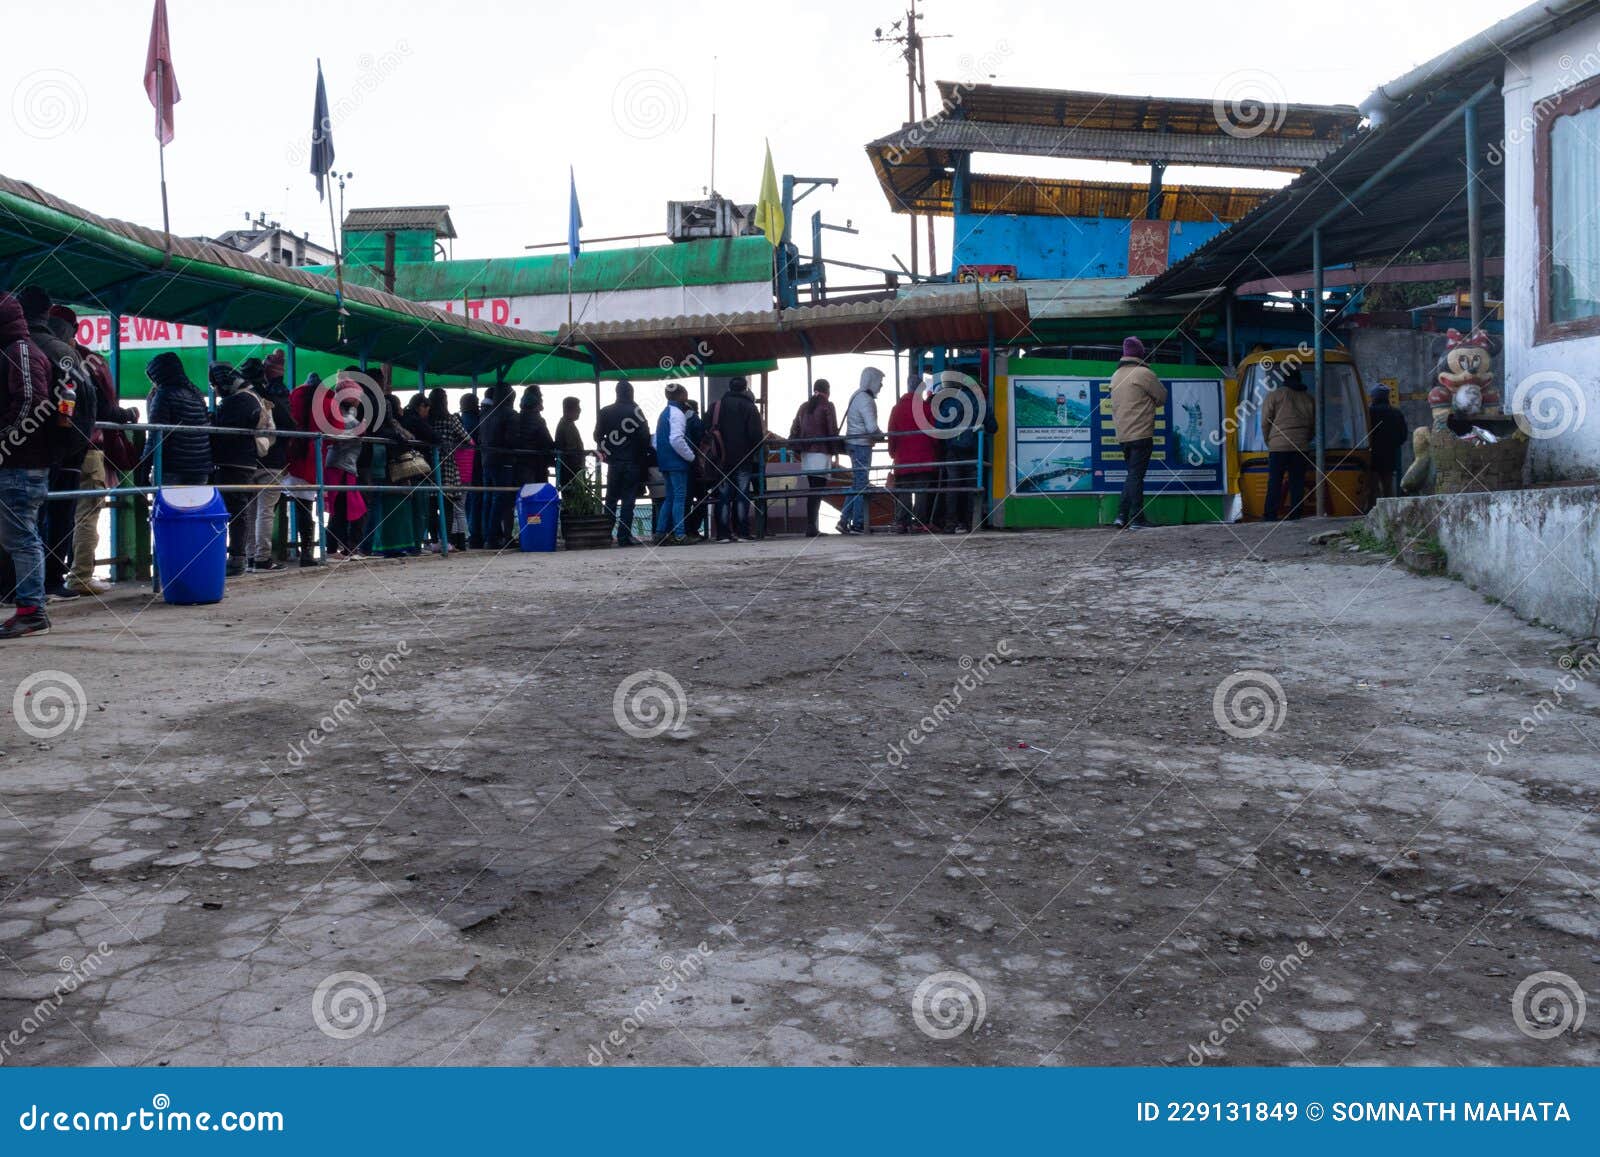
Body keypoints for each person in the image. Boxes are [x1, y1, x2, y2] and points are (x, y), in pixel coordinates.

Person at [50, 305, 137, 594]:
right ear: (74, 330)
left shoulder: (34, 354)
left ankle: (37, 582)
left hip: (46, 453)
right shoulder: (89, 362)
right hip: (88, 450)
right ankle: (79, 577)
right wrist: (126, 416)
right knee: (85, 515)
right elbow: (105, 409)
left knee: (47, 515)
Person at [19, 287, 95, 602]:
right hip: (66, 451)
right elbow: (82, 401)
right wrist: (67, 446)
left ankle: (23, 590)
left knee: (24, 521)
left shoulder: (20, 348)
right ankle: (49, 581)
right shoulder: (67, 353)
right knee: (59, 514)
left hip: (26, 452)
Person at [0, 292, 56, 639]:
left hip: (19, 462)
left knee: (21, 538)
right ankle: (30, 607)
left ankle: (32, 610)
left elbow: (32, 400)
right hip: (22, 461)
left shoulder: (19, 351)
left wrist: (4, 438)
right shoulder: (18, 350)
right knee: (21, 536)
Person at [209, 361, 266, 577]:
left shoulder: (235, 402)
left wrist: (212, 422)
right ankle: (238, 558)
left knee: (229, 511)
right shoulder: (251, 397)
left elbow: (224, 435)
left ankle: (234, 559)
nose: (215, 390)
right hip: (247, 462)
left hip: (231, 463)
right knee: (240, 511)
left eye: (215, 385)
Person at [1108, 336, 1167, 530]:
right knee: (1136, 476)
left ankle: (1121, 516)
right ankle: (1138, 518)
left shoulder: (1115, 375)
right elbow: (1161, 397)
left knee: (1132, 475)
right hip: (1141, 433)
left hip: (1123, 435)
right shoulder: (1144, 373)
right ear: (1140, 353)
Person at [239, 356, 291, 572]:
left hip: (249, 460)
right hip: (273, 460)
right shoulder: (271, 398)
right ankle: (262, 558)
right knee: (265, 511)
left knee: (251, 511)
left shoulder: (241, 398)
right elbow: (289, 424)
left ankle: (250, 556)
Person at [140, 352, 212, 485]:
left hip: (173, 469)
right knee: (194, 505)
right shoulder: (196, 394)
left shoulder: (163, 395)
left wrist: (143, 469)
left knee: (168, 505)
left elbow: (156, 435)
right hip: (200, 467)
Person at [710, 376, 766, 542]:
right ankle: (742, 532)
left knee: (723, 496)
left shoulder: (717, 406)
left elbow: (707, 429)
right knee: (742, 495)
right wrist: (753, 452)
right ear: (745, 389)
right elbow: (756, 435)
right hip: (743, 458)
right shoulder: (749, 407)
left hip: (721, 459)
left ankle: (722, 534)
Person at [595, 379, 650, 546]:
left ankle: (605, 535)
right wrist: (640, 454)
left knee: (610, 499)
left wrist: (607, 448)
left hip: (614, 462)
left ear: (616, 393)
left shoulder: (605, 411)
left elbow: (597, 435)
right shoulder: (636, 411)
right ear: (631, 393)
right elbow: (644, 437)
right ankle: (623, 537)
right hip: (632, 462)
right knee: (628, 500)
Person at [1261, 365, 1316, 521]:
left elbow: (1265, 421)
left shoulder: (1275, 395)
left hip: (1278, 447)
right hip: (1301, 447)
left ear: (1284, 379)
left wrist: (1269, 440)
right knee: (1297, 483)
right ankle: (1295, 515)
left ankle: (1270, 515)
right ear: (1299, 379)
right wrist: (1306, 439)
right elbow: (1314, 425)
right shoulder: (1309, 398)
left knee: (1274, 482)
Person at [789, 379, 841, 538]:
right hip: (822, 452)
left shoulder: (804, 406)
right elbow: (832, 430)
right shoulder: (828, 405)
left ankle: (811, 525)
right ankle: (812, 527)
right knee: (817, 491)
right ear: (827, 390)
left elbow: (794, 428)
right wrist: (836, 452)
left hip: (807, 453)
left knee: (813, 490)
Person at [887, 374, 938, 533]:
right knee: (922, 492)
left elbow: (892, 433)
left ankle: (902, 522)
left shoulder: (897, 409)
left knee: (904, 491)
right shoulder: (926, 408)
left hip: (903, 459)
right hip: (924, 458)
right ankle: (919, 523)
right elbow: (934, 435)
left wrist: (893, 453)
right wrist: (935, 453)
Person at [840, 366, 885, 534]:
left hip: (852, 443)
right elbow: (872, 427)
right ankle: (858, 523)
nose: (881, 386)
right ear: (872, 381)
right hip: (862, 445)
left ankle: (844, 520)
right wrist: (882, 436)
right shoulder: (866, 400)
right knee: (862, 484)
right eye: (880, 382)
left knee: (857, 483)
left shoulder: (855, 396)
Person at [476, 381, 519, 549]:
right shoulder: (510, 415)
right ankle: (493, 536)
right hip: (504, 461)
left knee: (488, 497)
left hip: (486, 460)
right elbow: (512, 440)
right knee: (500, 498)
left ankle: (487, 535)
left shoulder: (485, 414)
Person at [428, 387, 472, 551]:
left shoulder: (428, 419)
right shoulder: (451, 419)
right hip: (447, 464)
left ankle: (433, 541)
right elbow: (467, 438)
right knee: (447, 506)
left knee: (432, 506)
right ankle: (446, 541)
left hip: (430, 465)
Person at [654, 383, 696, 545]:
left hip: (664, 461)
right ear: (681, 395)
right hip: (677, 463)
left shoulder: (663, 413)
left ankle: (660, 533)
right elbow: (677, 439)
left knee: (669, 498)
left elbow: (656, 441)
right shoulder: (677, 414)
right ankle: (680, 534)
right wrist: (691, 456)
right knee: (679, 498)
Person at [1367, 385, 1409, 502]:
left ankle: (1371, 512)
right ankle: (1389, 513)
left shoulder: (1369, 413)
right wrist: (1393, 445)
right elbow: (1403, 435)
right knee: (1388, 487)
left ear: (1374, 397)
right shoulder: (1396, 413)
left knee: (1372, 488)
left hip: (1371, 455)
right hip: (1389, 455)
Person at [516, 385, 554, 487]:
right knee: (536, 496)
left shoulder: (517, 417)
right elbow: (547, 441)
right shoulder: (538, 420)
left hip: (519, 464)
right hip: (535, 464)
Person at [458, 392, 482, 547]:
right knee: (476, 499)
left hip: (461, 466)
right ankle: (475, 534)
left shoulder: (461, 421)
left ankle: (468, 534)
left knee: (464, 503)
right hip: (477, 464)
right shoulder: (477, 421)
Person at [554, 396, 586, 493]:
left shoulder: (567, 424)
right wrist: (579, 471)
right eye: (578, 407)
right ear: (570, 409)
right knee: (572, 500)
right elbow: (572, 451)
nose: (580, 410)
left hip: (569, 471)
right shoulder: (566, 426)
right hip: (571, 473)